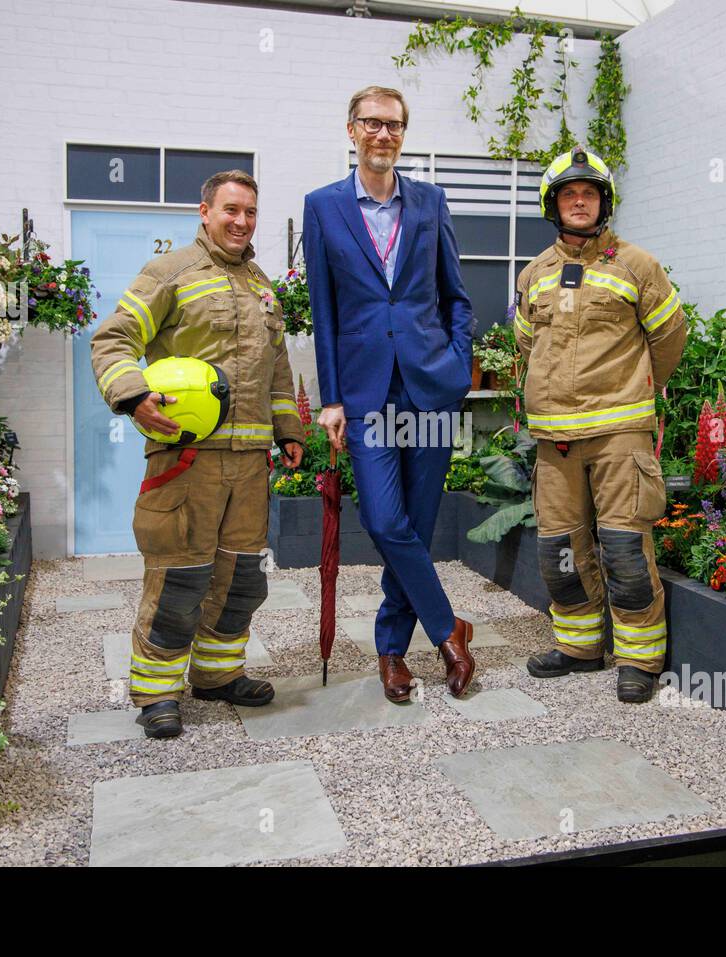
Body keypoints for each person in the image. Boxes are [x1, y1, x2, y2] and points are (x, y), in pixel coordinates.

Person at [90, 170, 305, 738]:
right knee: (180, 578)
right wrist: (132, 396)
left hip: (250, 464)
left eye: (250, 213)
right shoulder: (172, 272)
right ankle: (157, 694)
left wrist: (288, 429)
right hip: (187, 462)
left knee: (242, 580)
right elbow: (112, 339)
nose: (241, 222)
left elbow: (277, 370)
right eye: (230, 210)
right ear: (204, 211)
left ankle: (217, 675)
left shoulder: (262, 285)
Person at [302, 85, 476, 703]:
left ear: (404, 134)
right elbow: (324, 311)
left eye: (394, 125)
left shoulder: (429, 201)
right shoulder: (323, 207)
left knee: (418, 525)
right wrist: (330, 397)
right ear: (351, 130)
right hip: (367, 391)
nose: (383, 134)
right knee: (383, 518)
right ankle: (448, 630)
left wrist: (458, 368)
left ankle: (391, 651)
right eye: (372, 124)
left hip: (430, 386)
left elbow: (455, 295)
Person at [514, 147, 687, 703]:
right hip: (554, 440)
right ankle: (580, 647)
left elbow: (669, 338)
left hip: (619, 435)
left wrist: (635, 390)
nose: (580, 201)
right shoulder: (535, 273)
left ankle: (638, 660)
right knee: (559, 550)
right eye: (569, 193)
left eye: (589, 192)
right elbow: (526, 344)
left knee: (624, 550)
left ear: (604, 201)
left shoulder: (637, 265)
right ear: (554, 204)